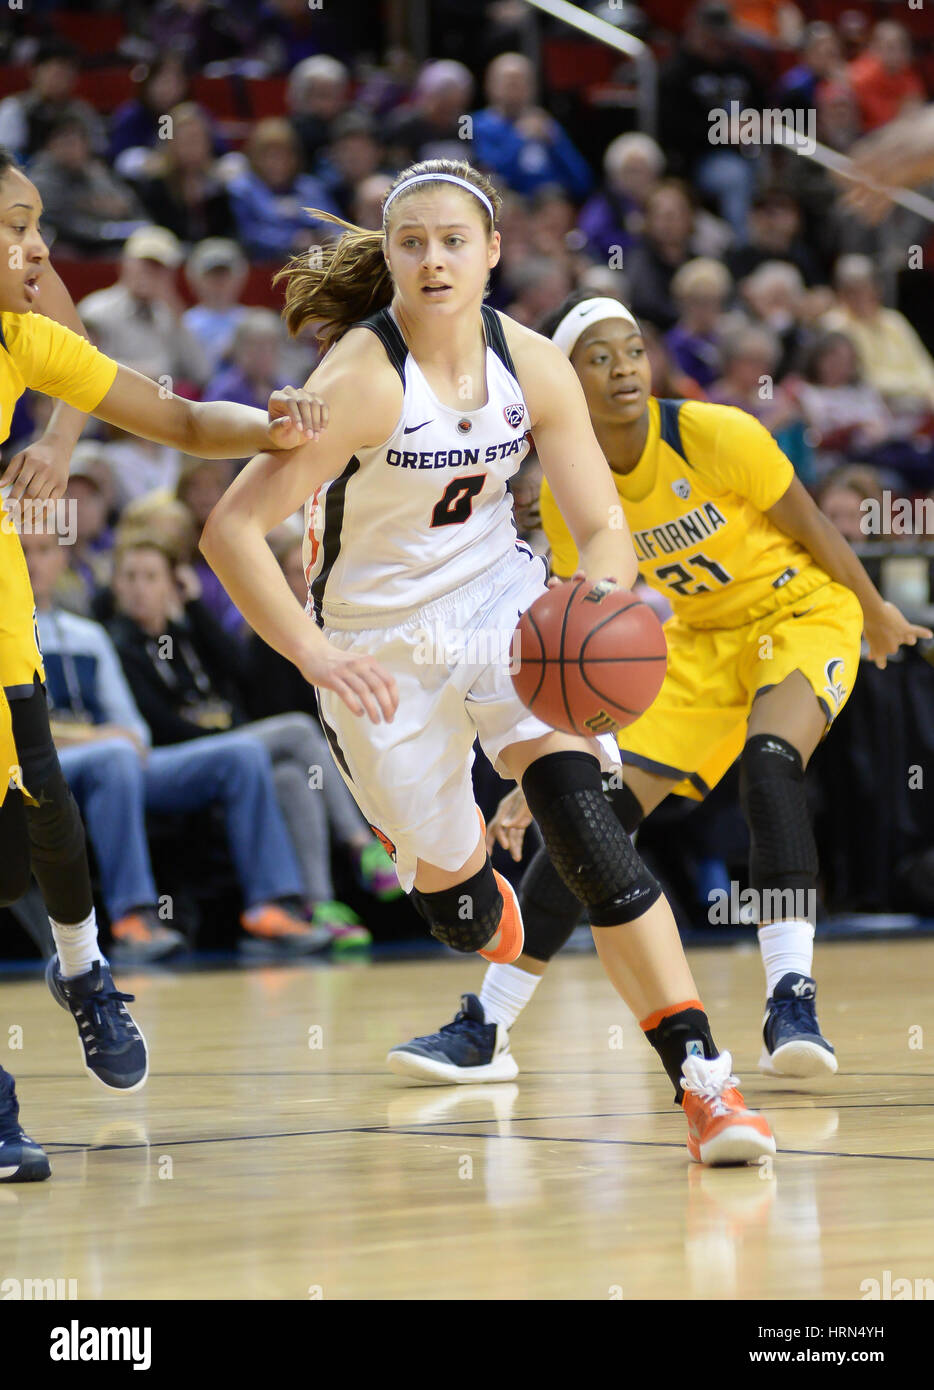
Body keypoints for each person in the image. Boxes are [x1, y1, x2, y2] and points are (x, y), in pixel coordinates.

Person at [199, 156, 777, 1168]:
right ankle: (478, 906)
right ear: (389, 255)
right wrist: (317, 654)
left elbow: (600, 523)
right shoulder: (363, 383)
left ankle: (706, 1082)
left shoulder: (533, 364)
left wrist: (590, 609)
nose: (432, 259)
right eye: (411, 242)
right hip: (379, 648)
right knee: (461, 912)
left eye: (453, 240)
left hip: (504, 611)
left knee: (589, 831)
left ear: (493, 253)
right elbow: (230, 532)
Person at [387, 289, 930, 1090]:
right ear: (567, 380)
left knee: (770, 762)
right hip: (697, 646)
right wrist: (540, 769)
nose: (622, 369)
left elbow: (816, 525)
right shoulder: (579, 502)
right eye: (598, 358)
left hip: (802, 613)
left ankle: (791, 996)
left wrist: (876, 610)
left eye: (632, 350)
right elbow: (573, 649)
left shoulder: (717, 432)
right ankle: (488, 1026)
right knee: (592, 819)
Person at [0, 143, 325, 1181]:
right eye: (17, 230)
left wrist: (270, 430)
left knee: (37, 806)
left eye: (38, 222)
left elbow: (180, 418)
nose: (40, 247)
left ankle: (86, 967)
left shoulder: (21, 335)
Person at [23, 527, 328, 963]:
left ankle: (271, 907)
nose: (34, 563)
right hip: (36, 773)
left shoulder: (88, 635)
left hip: (119, 765)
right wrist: (96, 738)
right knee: (116, 757)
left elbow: (134, 730)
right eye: (23, 552)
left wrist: (108, 739)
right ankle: (133, 917)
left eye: (44, 551)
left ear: (61, 560)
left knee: (241, 754)